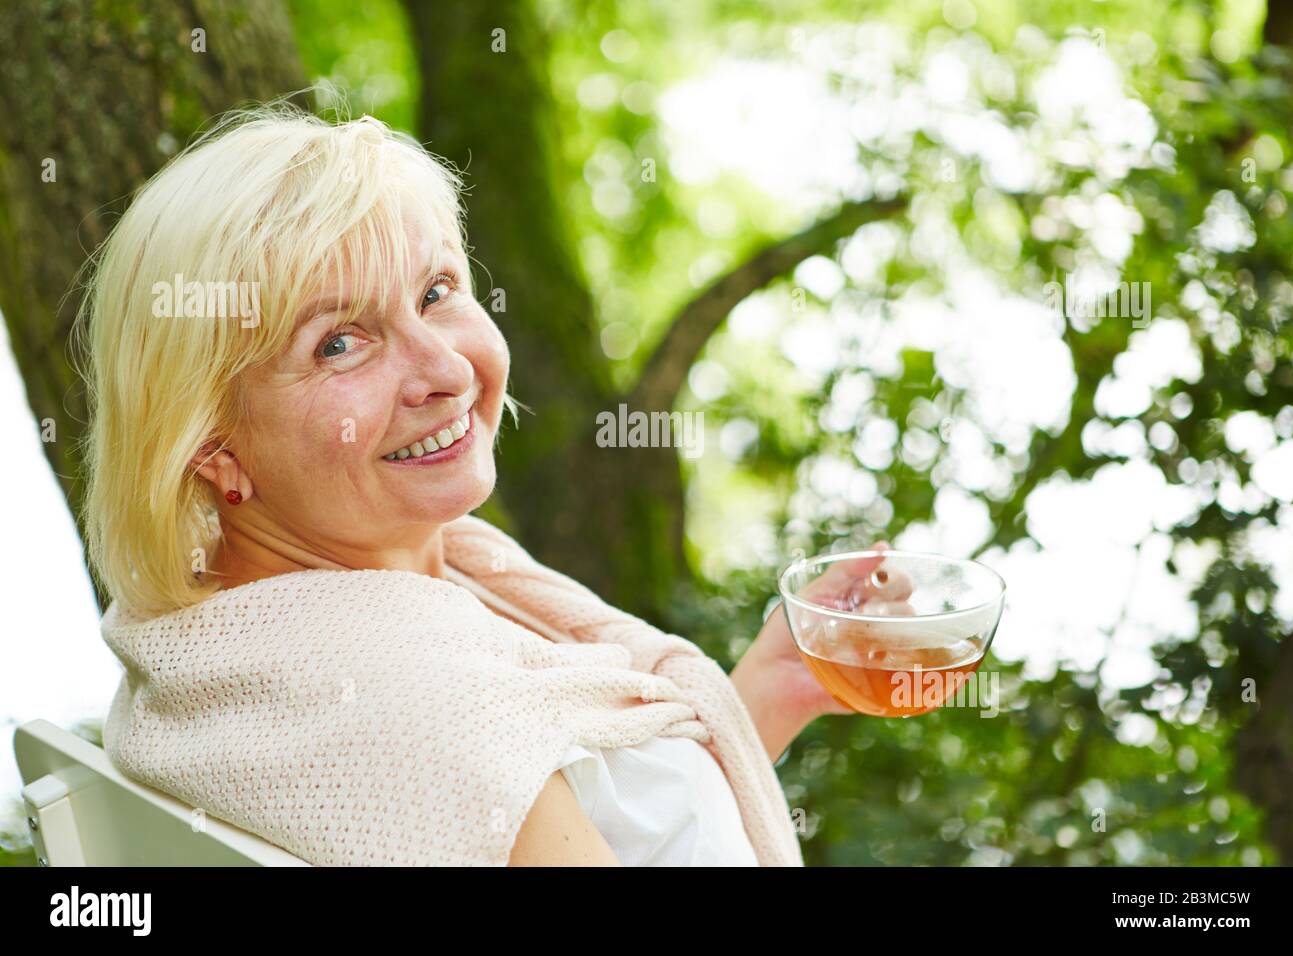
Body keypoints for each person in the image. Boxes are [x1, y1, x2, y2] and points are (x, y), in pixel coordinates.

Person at [75, 98, 902, 866]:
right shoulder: (404, 709)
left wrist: (770, 689)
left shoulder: (305, 628)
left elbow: (598, 819)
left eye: (436, 292)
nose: (443, 370)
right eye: (338, 343)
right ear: (212, 446)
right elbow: (453, 769)